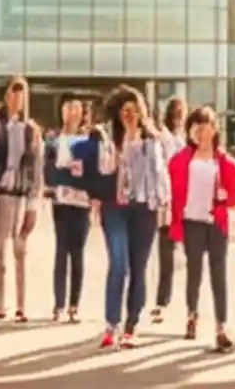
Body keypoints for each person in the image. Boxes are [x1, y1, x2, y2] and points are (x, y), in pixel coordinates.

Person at [79, 85, 170, 350]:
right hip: (115, 208)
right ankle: (112, 324)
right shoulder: (110, 140)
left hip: (144, 208)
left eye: (133, 110)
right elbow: (100, 170)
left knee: (138, 266)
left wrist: (164, 206)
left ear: (141, 112)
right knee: (119, 264)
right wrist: (118, 151)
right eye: (124, 111)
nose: (128, 115)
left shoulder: (153, 141)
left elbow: (160, 176)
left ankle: (132, 325)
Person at [167, 106, 235, 352]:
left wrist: (224, 196)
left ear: (213, 128)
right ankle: (192, 315)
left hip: (215, 224)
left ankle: (221, 326)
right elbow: (173, 190)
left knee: (219, 274)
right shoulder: (181, 161)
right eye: (195, 126)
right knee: (194, 272)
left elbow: (233, 197)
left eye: (204, 124)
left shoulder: (225, 162)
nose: (199, 130)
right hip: (192, 221)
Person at [0, 77, 44, 322]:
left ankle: (20, 304)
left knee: (20, 250)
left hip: (20, 193)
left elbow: (36, 171)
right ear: (6, 96)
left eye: (22, 95)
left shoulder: (31, 130)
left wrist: (34, 204)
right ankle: (0, 301)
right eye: (13, 93)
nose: (17, 99)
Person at [43, 92, 98, 323]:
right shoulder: (54, 139)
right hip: (62, 201)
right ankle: (58, 303)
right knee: (61, 250)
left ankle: (74, 304)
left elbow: (90, 171)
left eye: (75, 108)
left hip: (82, 202)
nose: (71, 113)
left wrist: (71, 175)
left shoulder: (88, 140)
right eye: (67, 108)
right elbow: (49, 171)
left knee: (78, 253)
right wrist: (63, 176)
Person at [151, 96, 187, 325]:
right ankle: (162, 300)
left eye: (181, 114)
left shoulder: (184, 140)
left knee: (185, 253)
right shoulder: (162, 138)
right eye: (175, 114)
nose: (178, 118)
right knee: (166, 250)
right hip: (167, 201)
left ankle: (189, 303)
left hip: (184, 201)